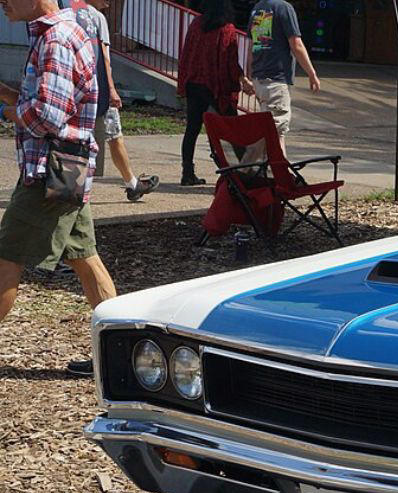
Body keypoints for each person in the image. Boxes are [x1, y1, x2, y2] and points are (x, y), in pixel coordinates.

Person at [0, 0, 118, 376]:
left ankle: (119, 353)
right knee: (86, 260)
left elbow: (47, 116)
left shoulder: (56, 40)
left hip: (47, 173)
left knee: (5, 256)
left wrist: (8, 112)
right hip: (68, 170)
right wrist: (6, 94)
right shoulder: (64, 33)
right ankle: (119, 354)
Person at [71, 0, 159, 202]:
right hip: (98, 88)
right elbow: (104, 58)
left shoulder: (70, 12)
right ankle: (131, 184)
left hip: (77, 88)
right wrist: (111, 89)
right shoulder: (96, 18)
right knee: (113, 135)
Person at [176, 0, 245, 185]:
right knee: (230, 129)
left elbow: (186, 53)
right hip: (215, 85)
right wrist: (239, 80)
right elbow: (229, 61)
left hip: (194, 82)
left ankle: (187, 172)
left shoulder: (196, 24)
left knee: (192, 128)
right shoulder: (227, 29)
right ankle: (234, 173)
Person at [246, 0, 320, 146]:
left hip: (259, 78)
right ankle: (253, 167)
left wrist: (250, 74)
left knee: (271, 133)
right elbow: (296, 44)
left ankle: (271, 167)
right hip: (276, 80)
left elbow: (252, 45)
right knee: (276, 133)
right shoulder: (284, 8)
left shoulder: (258, 8)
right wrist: (311, 73)